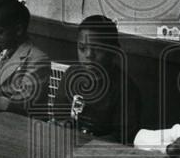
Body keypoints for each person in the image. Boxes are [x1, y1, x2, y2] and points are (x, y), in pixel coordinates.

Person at [53, 15, 141, 144]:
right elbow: (59, 114)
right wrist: (64, 123)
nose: (88, 55)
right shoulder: (71, 75)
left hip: (101, 152)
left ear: (113, 50)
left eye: (98, 49)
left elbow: (124, 136)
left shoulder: (124, 89)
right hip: (68, 143)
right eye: (82, 48)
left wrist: (88, 143)